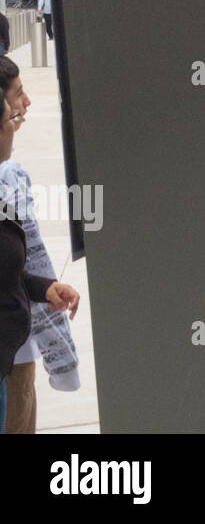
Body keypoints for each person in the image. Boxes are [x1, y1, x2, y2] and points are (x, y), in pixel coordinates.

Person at [0, 58, 79, 434]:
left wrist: (41, 287)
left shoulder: (5, 184)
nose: (25, 105)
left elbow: (9, 269)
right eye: (15, 101)